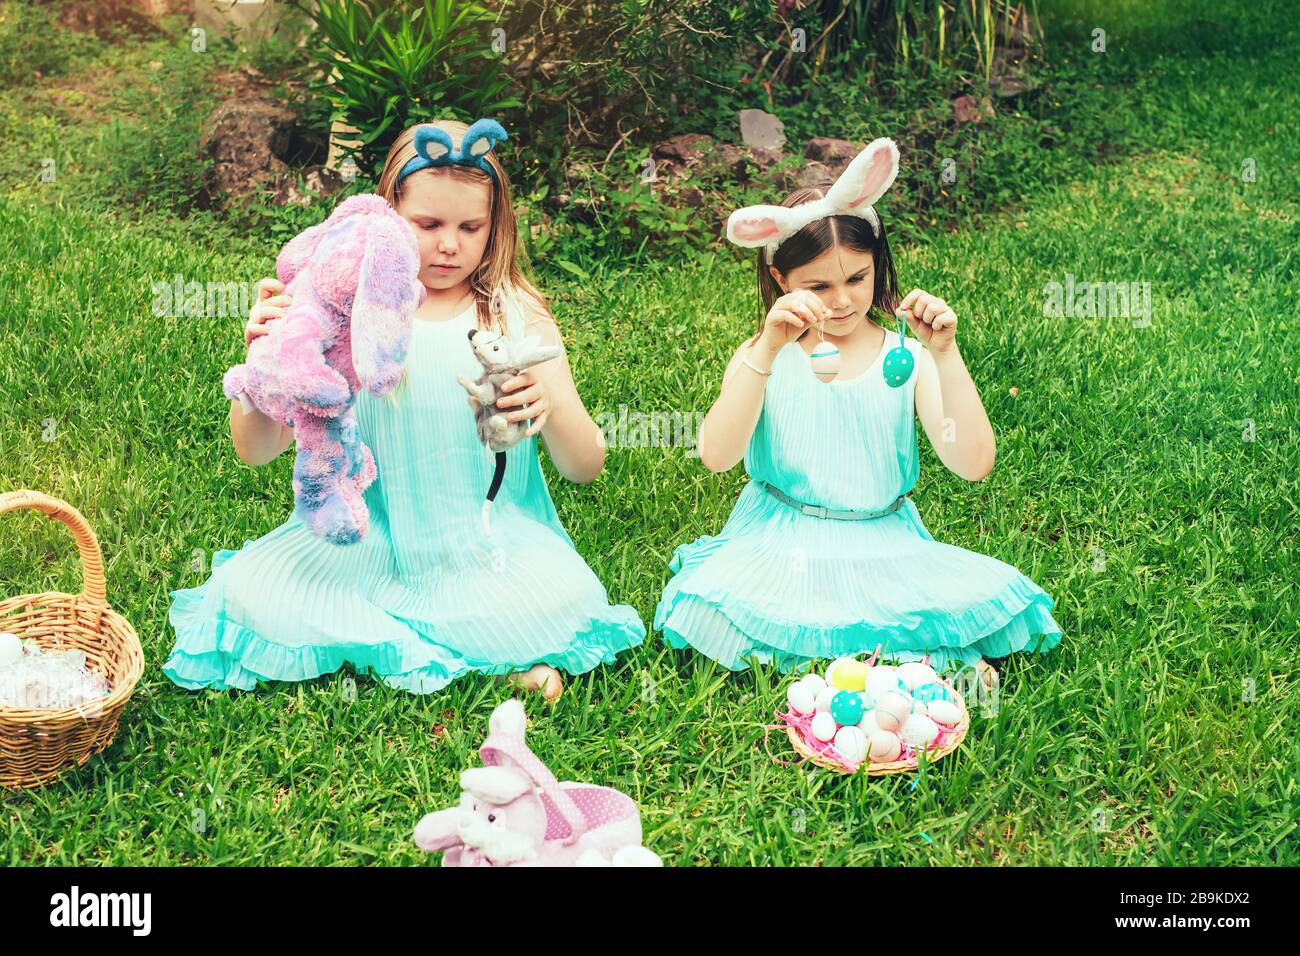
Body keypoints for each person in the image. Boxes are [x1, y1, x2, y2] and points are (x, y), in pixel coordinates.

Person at [164, 118, 645, 701]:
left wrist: (548, 410)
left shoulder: (513, 317)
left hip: (483, 547)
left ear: (496, 228)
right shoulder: (338, 311)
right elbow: (255, 451)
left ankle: (403, 639)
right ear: (386, 214)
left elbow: (584, 464)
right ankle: (466, 648)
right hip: (366, 542)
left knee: (559, 596)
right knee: (249, 591)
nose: (449, 245)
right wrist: (266, 362)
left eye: (471, 227)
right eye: (428, 224)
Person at [653, 138, 1062, 692]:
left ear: (877, 266)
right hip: (782, 533)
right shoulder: (763, 355)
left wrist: (945, 354)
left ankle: (890, 656)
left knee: (909, 609)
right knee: (718, 607)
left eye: (857, 279)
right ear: (781, 282)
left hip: (881, 538)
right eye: (818, 286)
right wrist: (767, 352)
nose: (842, 301)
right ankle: (898, 659)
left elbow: (973, 463)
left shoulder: (905, 358)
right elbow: (717, 456)